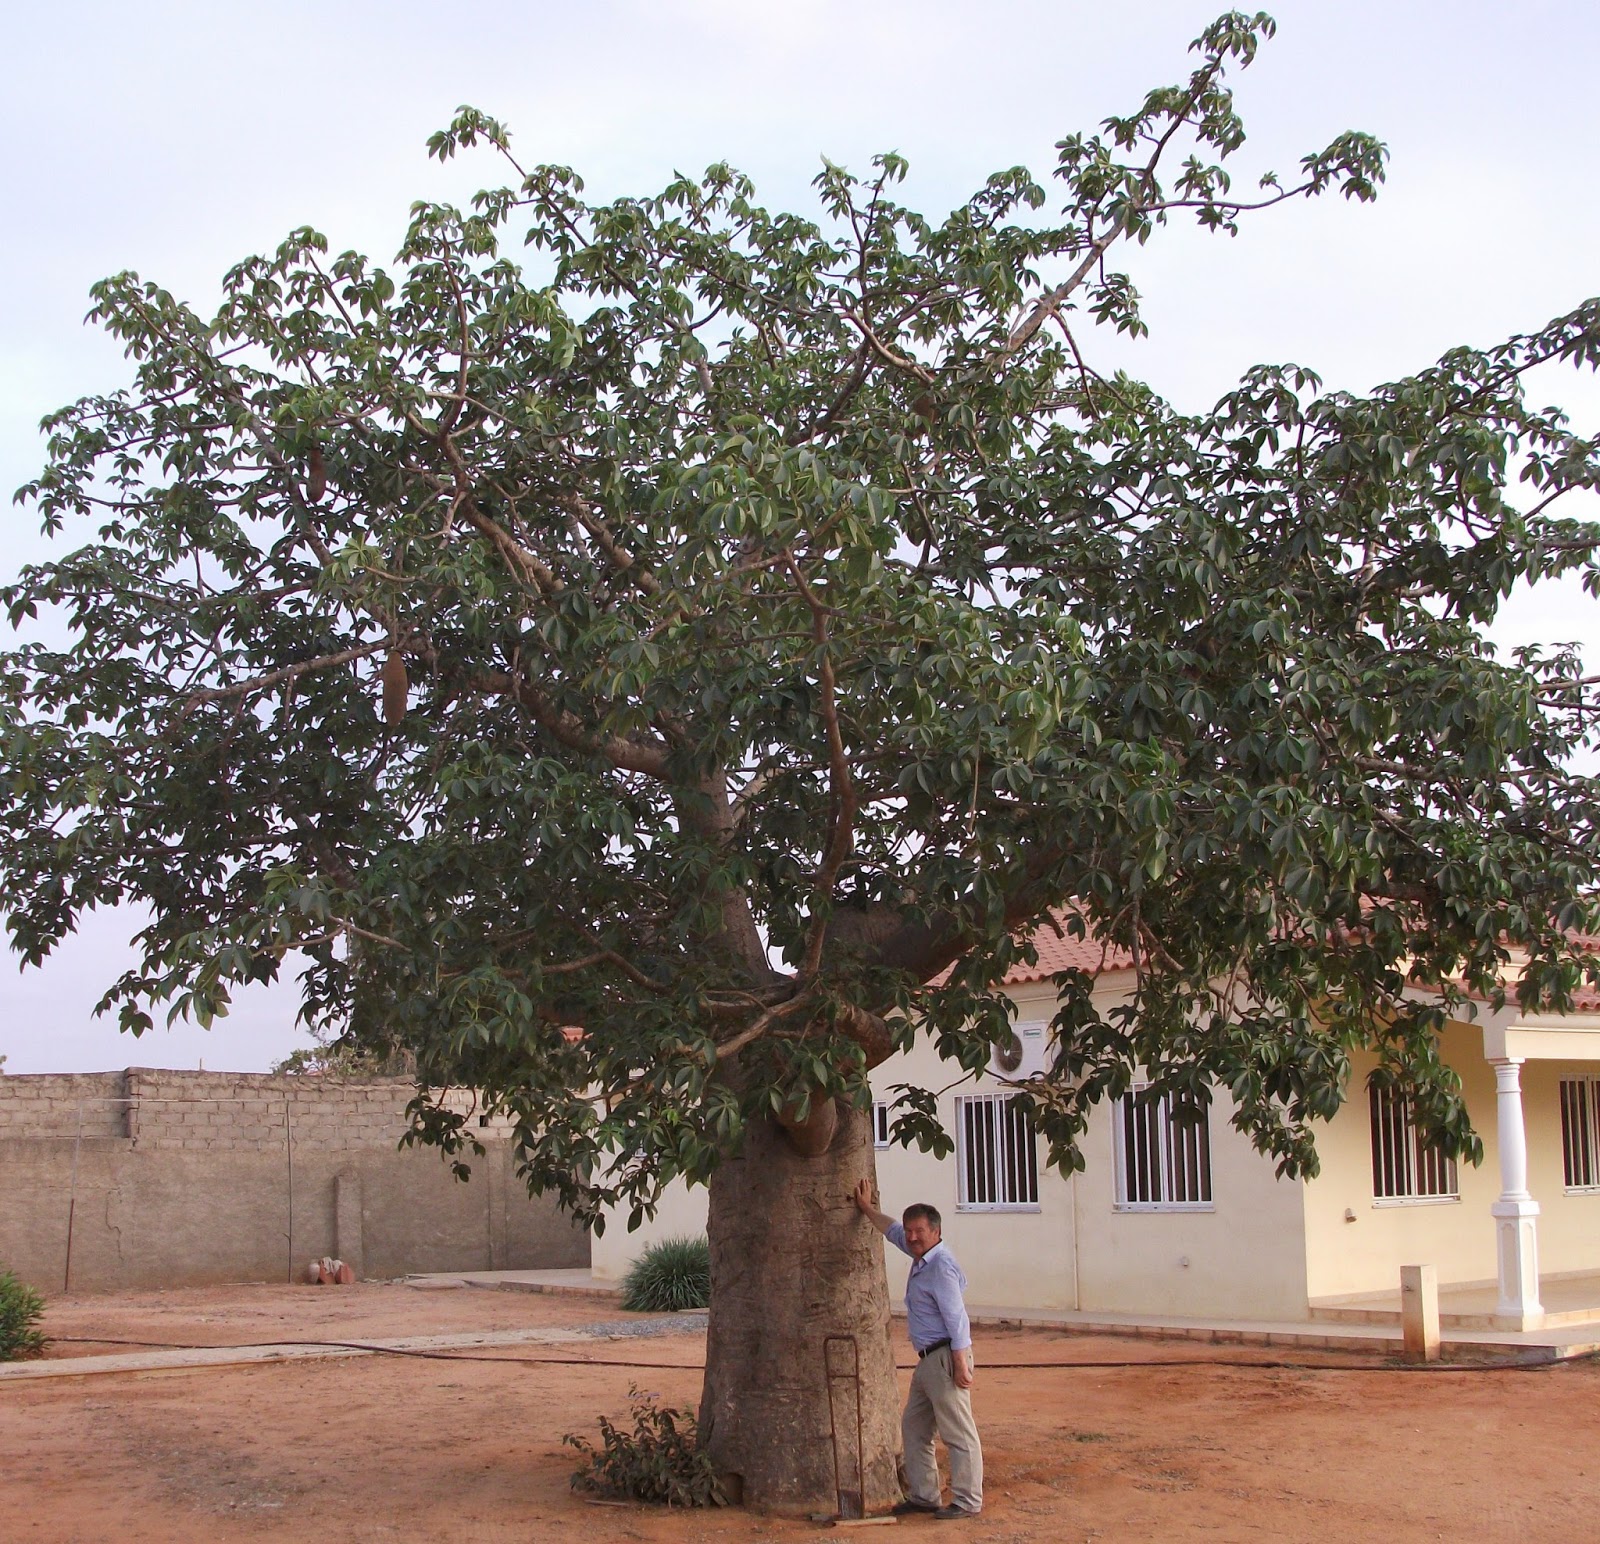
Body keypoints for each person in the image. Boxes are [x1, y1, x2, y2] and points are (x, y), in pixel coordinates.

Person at [853, 1176, 983, 1520]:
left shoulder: (941, 1266)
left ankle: (968, 1500)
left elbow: (956, 1317)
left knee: (958, 1431)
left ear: (936, 1232)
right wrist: (867, 1209)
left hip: (945, 1357)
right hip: (928, 1360)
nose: (911, 1236)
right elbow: (891, 1229)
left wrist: (960, 1361)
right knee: (914, 1427)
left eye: (919, 1231)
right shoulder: (920, 1255)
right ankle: (925, 1496)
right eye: (910, 1230)